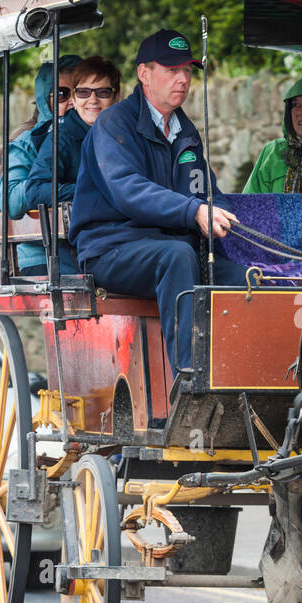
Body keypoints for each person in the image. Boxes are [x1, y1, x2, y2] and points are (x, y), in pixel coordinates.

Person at [69, 29, 248, 377]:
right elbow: (128, 190)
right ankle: (190, 380)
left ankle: (243, 378)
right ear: (144, 73)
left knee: (246, 279)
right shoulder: (112, 124)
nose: (182, 79)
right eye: (171, 69)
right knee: (178, 256)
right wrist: (192, 211)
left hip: (169, 246)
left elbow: (203, 187)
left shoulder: (185, 130)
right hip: (111, 249)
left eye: (188, 70)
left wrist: (222, 211)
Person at [0, 54, 81, 275]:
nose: (72, 101)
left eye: (79, 91)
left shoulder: (102, 137)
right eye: (62, 94)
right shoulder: (27, 143)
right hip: (43, 256)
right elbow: (12, 199)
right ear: (46, 98)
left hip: (89, 248)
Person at [24, 55, 121, 212]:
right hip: (89, 228)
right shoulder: (61, 136)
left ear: (116, 97)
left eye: (103, 92)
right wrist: (94, 190)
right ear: (74, 99)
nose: (93, 99)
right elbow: (35, 191)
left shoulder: (127, 132)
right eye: (84, 92)